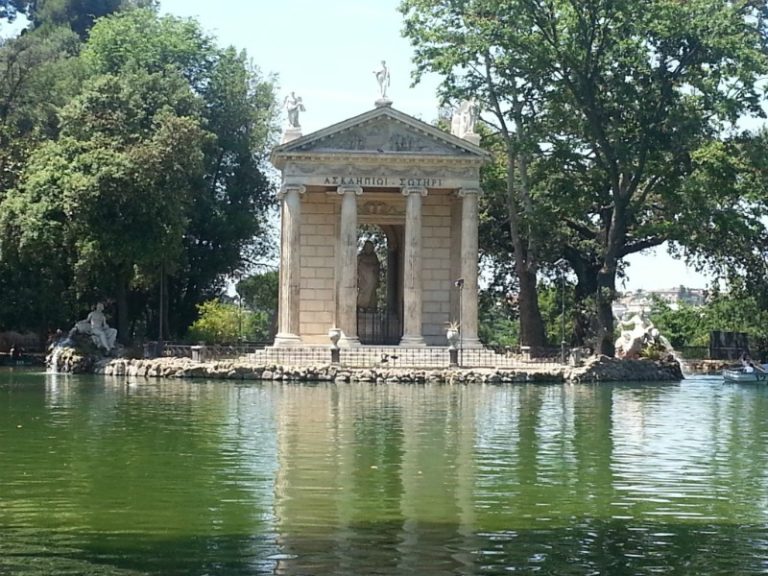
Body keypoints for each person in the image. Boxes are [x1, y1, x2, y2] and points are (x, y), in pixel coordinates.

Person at [357, 240, 381, 309]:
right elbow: (356, 267)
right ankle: (361, 306)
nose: (369, 249)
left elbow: (377, 267)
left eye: (370, 247)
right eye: (367, 247)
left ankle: (371, 307)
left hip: (372, 281)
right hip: (363, 281)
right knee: (363, 293)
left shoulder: (374, 257)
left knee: (372, 295)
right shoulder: (360, 257)